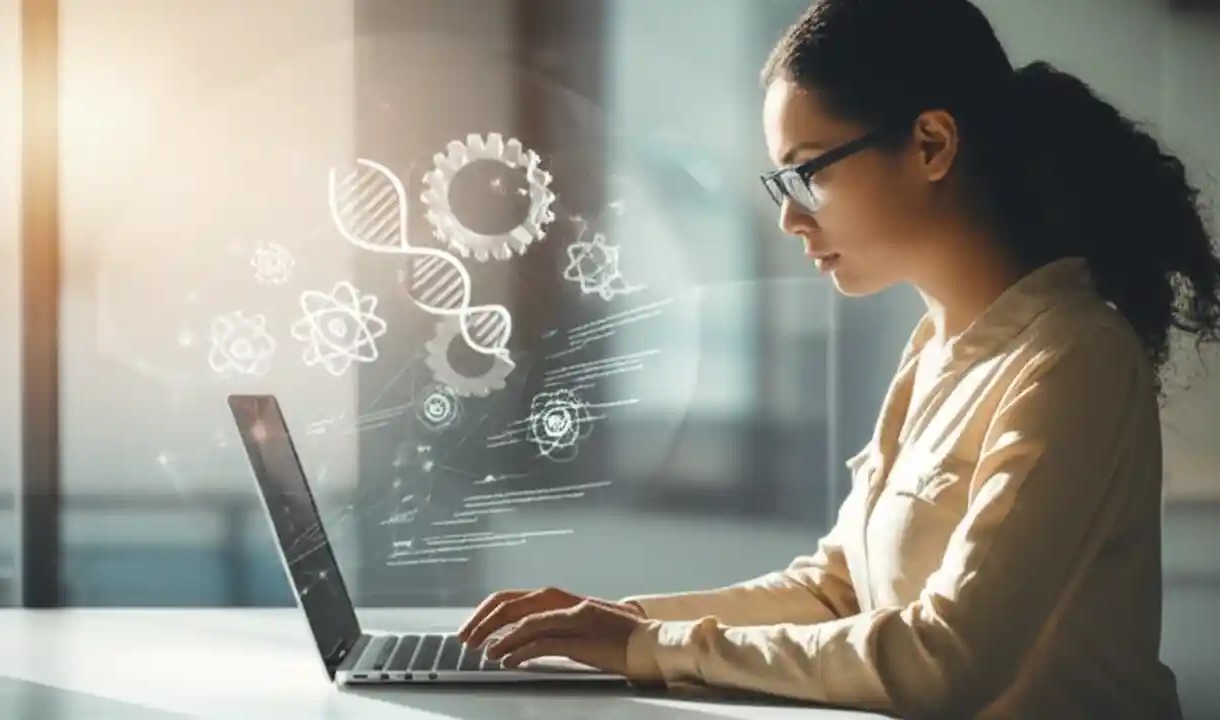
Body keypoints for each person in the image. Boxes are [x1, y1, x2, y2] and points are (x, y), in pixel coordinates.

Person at [456, 0, 1219, 716]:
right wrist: (610, 625)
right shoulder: (935, 350)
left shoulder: (1073, 355)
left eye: (810, 171)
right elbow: (836, 590)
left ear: (932, 144)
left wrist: (649, 647)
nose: (789, 217)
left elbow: (946, 659)